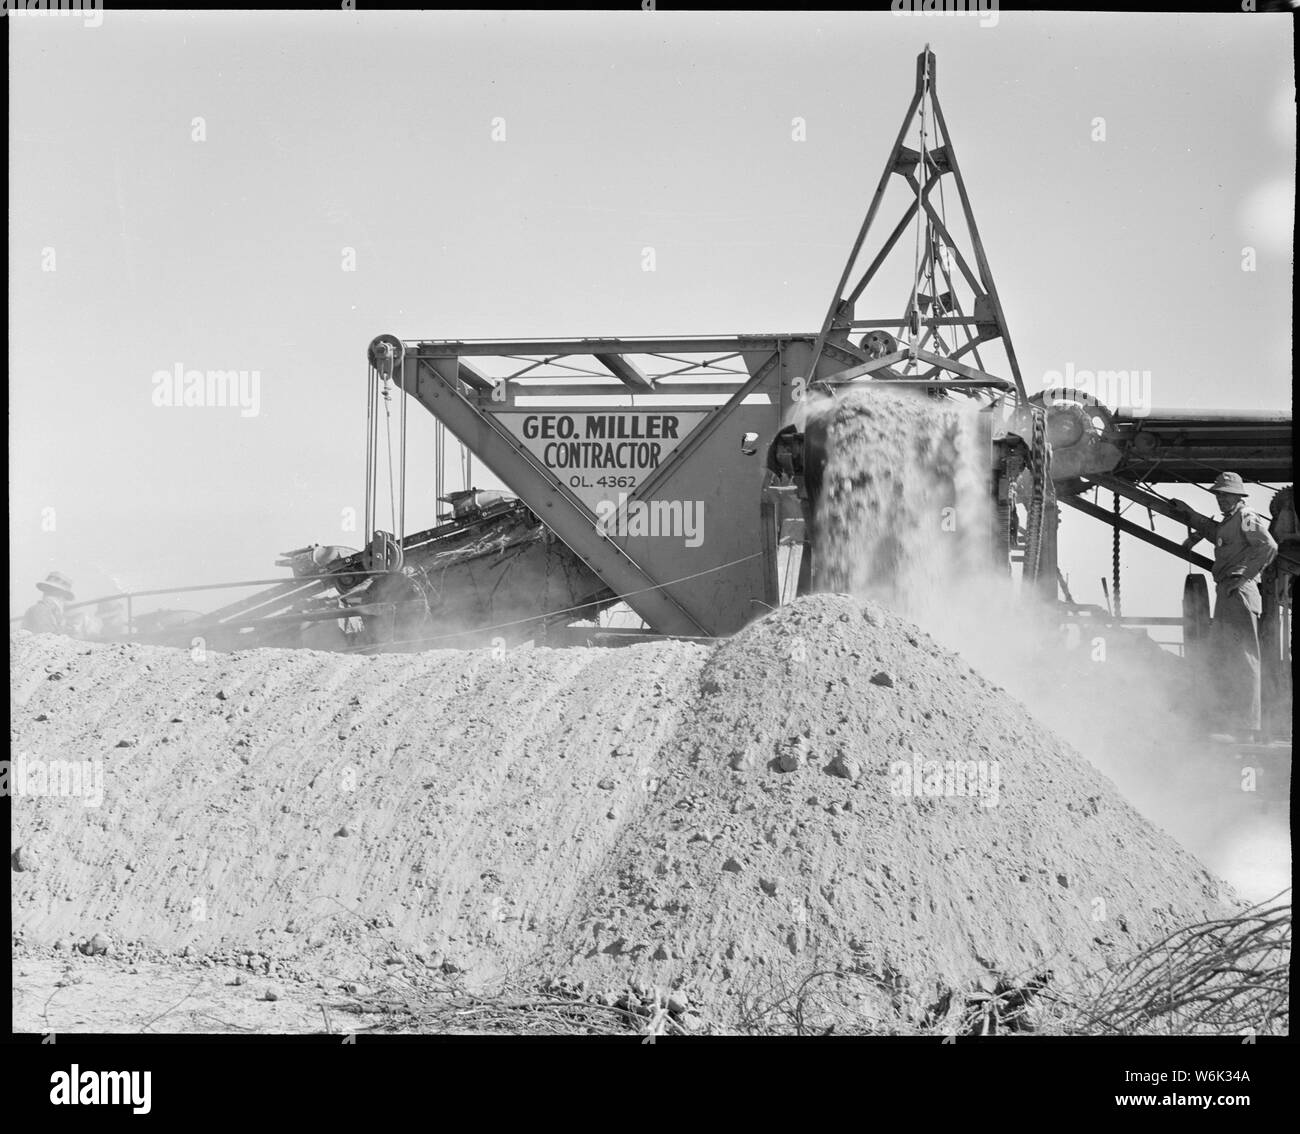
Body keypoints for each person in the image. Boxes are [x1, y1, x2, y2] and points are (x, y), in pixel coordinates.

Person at [1207, 472, 1278, 742]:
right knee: (1226, 655)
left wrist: (1243, 575)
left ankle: (1248, 727)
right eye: (1218, 494)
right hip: (1227, 590)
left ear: (1238, 496)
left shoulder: (1246, 516)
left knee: (1244, 657)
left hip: (1239, 591)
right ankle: (1232, 721)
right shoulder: (1230, 521)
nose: (1220, 499)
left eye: (1225, 494)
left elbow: (1268, 546)